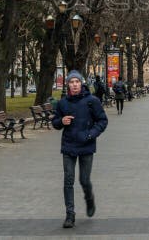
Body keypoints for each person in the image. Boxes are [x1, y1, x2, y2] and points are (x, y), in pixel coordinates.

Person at [52, 70, 108, 228]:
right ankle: (70, 214)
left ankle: (89, 199)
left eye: (77, 82)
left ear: (81, 83)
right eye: (71, 82)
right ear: (68, 85)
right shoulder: (63, 103)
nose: (74, 85)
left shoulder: (92, 101)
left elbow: (102, 121)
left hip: (86, 145)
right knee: (68, 181)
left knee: (84, 180)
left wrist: (91, 134)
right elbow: (55, 122)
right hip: (68, 146)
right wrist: (61, 121)